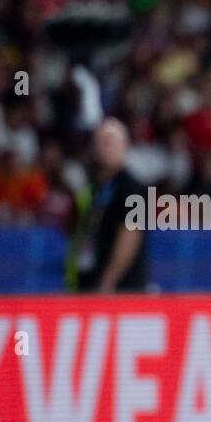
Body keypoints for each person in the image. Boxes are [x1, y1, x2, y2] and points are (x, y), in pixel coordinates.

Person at [76, 117, 147, 293]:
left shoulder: (131, 189)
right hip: (89, 282)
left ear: (125, 146)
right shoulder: (95, 188)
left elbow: (131, 234)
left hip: (121, 291)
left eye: (110, 142)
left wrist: (108, 281)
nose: (104, 148)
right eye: (99, 142)